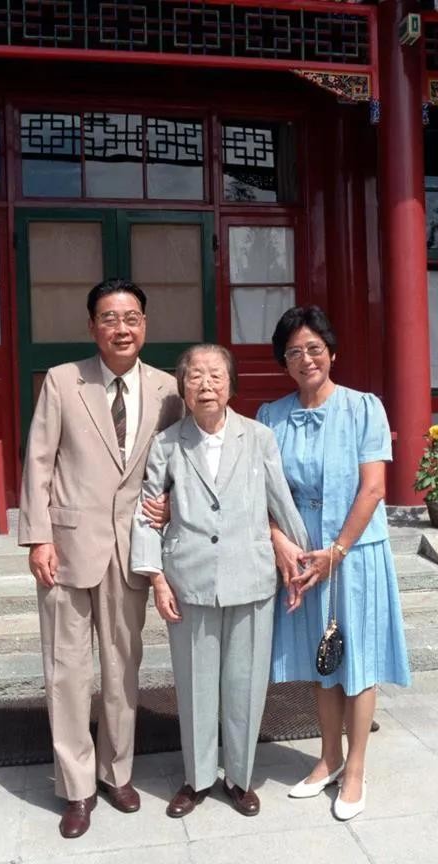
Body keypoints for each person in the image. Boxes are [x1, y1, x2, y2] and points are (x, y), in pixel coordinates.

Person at [18, 278, 183, 838]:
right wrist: (38, 537)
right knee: (67, 671)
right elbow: (39, 460)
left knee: (122, 668)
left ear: (145, 324)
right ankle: (76, 788)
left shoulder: (167, 390)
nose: (122, 328)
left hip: (132, 548)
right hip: (65, 546)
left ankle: (117, 773)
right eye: (110, 318)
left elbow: (175, 465)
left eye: (132, 317)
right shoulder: (65, 381)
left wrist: (169, 516)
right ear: (92, 326)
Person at [132, 344, 309, 819]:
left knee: (244, 684)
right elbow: (147, 514)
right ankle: (197, 778)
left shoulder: (259, 437)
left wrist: (299, 556)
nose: (206, 385)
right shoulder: (167, 443)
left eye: (215, 376)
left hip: (250, 578)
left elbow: (280, 502)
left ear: (231, 384)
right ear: (182, 387)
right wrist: (156, 580)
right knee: (194, 685)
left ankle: (240, 777)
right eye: (195, 377)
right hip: (187, 579)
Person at [256, 306, 410, 821]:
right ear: (284, 361)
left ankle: (357, 770)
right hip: (302, 555)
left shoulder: (365, 408)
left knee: (358, 660)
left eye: (314, 349)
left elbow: (373, 488)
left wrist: (337, 550)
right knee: (322, 663)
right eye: (294, 352)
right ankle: (328, 758)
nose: (306, 359)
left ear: (332, 353)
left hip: (354, 553)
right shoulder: (270, 417)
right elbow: (261, 492)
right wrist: (281, 539)